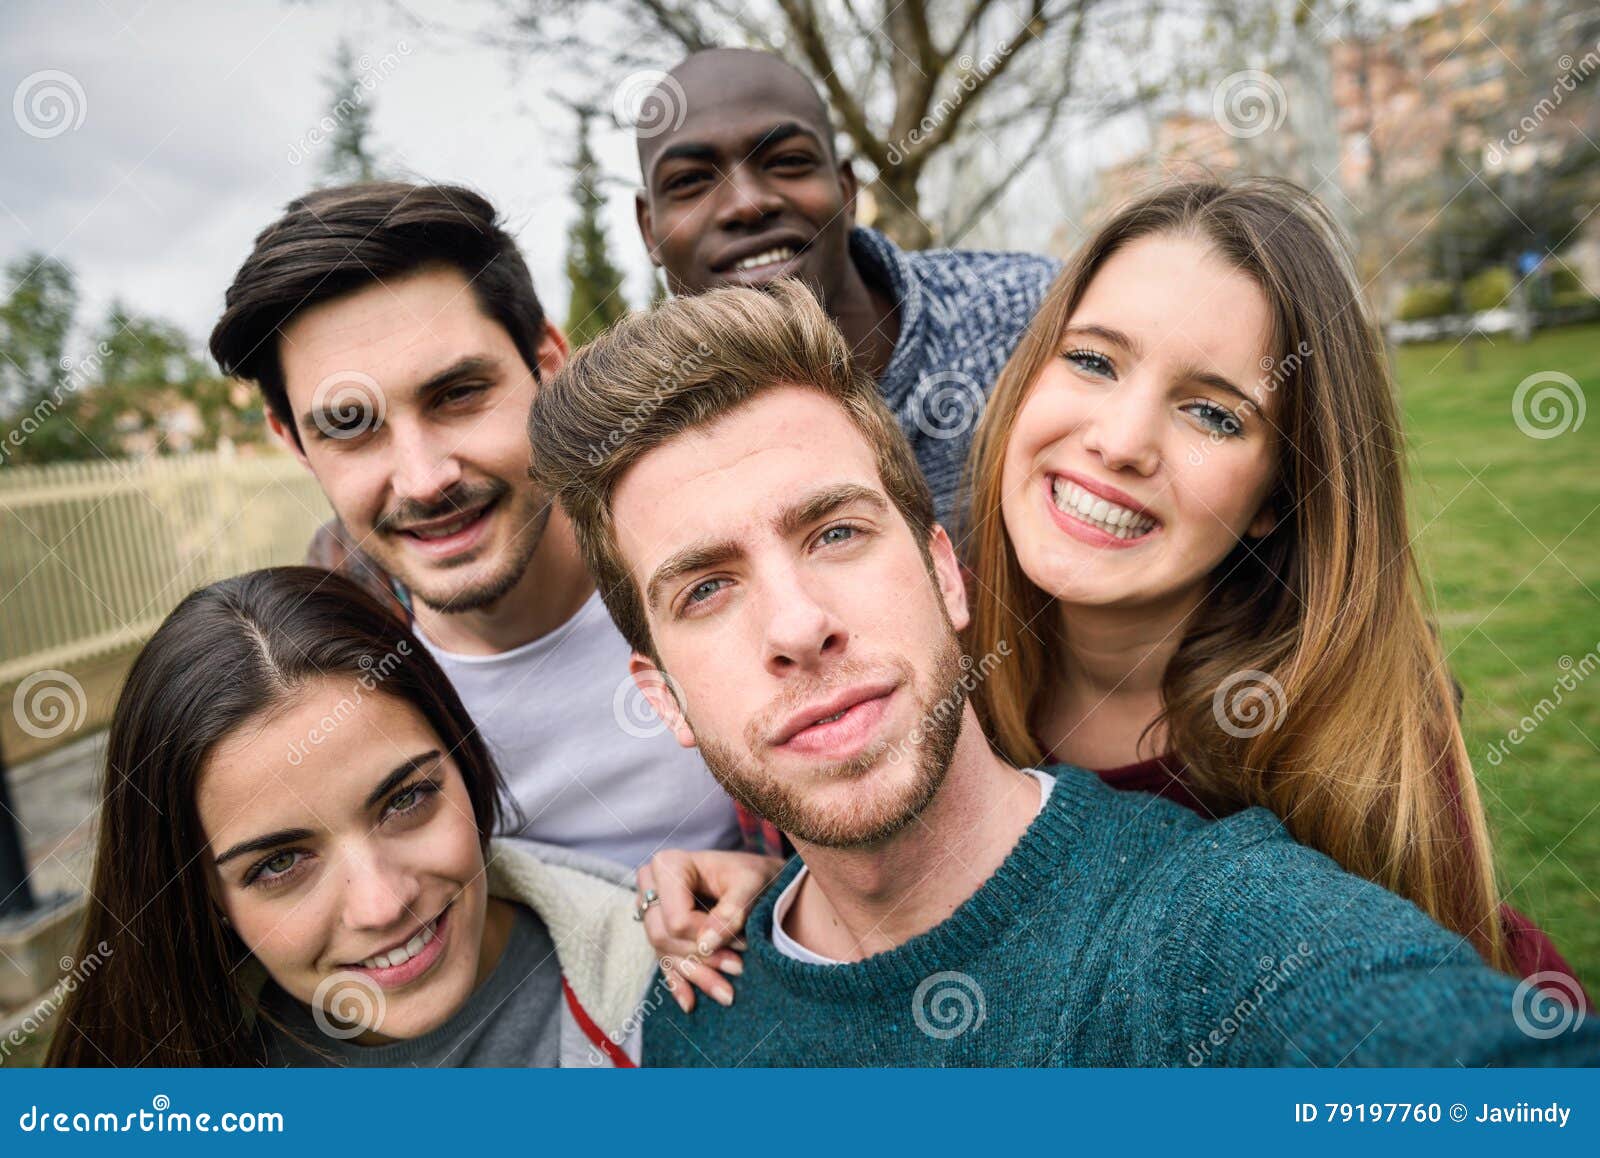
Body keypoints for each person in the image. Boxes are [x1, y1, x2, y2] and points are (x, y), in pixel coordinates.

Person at [526, 277, 1598, 1066]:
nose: (797, 626)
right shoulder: (690, 1019)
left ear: (947, 574)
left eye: (837, 533)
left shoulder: (1204, 930)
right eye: (704, 589)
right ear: (658, 693)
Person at [208, 182, 742, 869]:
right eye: (350, 426)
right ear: (295, 444)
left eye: (458, 394)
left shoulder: (730, 555)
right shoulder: (307, 685)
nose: (424, 479)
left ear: (547, 367)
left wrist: (786, 898)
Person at [47, 568, 658, 1067]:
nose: (381, 905)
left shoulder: (681, 980)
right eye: (279, 864)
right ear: (202, 897)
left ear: (463, 758)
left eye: (406, 800)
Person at [633, 47, 1060, 528]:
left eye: (788, 161)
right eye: (690, 181)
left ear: (848, 190)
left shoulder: (1036, 318)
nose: (747, 204)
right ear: (650, 230)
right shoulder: (638, 453)